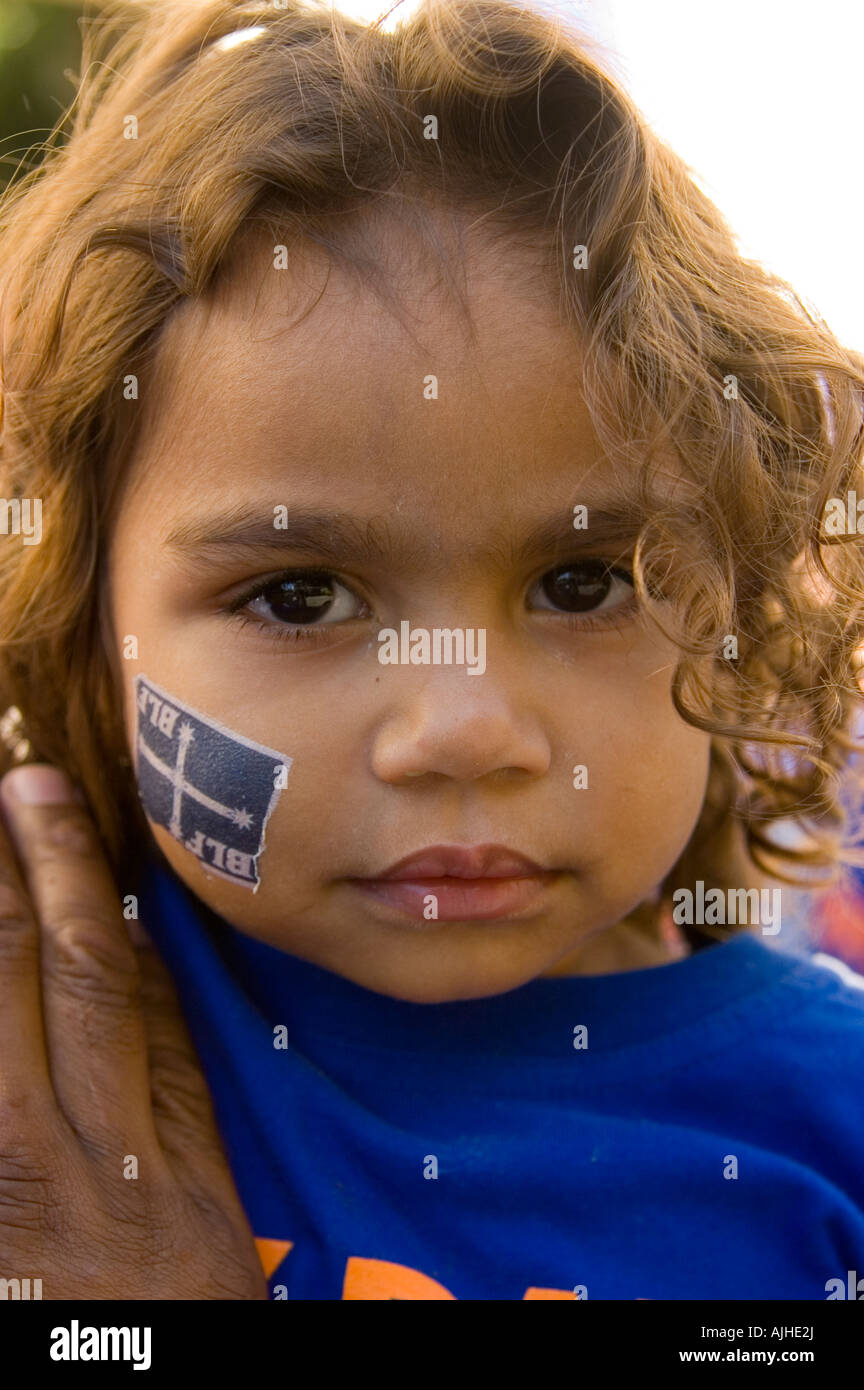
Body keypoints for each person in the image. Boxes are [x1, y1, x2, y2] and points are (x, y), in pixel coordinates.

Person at [0, 0, 863, 1301]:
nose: (465, 729)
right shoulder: (46, 1053)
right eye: (299, 596)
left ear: (736, 605)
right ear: (83, 627)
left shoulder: (829, 1127)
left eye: (583, 581)